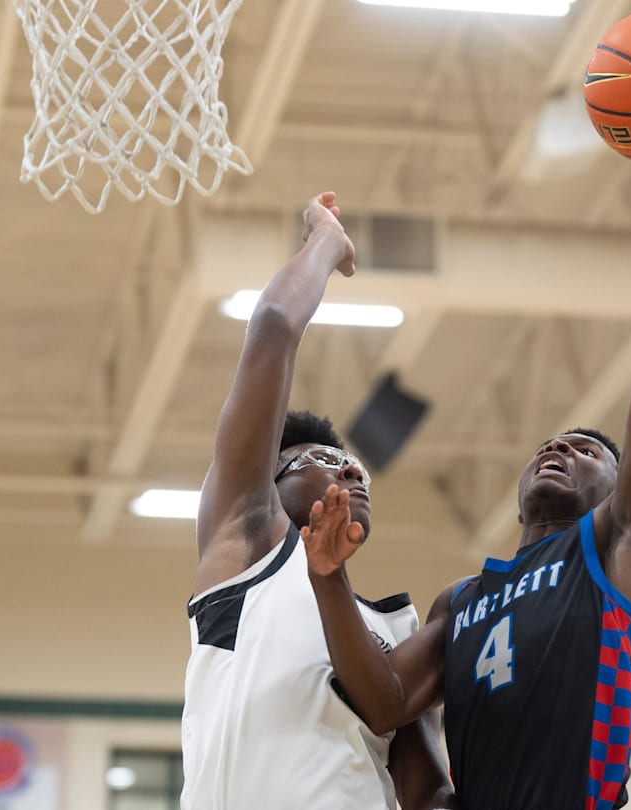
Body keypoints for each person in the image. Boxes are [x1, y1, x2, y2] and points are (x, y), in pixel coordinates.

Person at [300, 59, 631, 810]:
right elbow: (383, 701)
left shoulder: (620, 544)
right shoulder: (463, 599)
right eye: (551, 444)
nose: (561, 449)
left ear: (626, 484)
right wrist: (327, 576)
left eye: (589, 451)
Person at [181, 192, 454, 810]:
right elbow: (274, 327)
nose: (352, 472)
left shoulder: (394, 633)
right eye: (325, 461)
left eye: (357, 467)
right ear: (270, 482)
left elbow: (427, 791)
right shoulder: (247, 540)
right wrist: (325, 241)